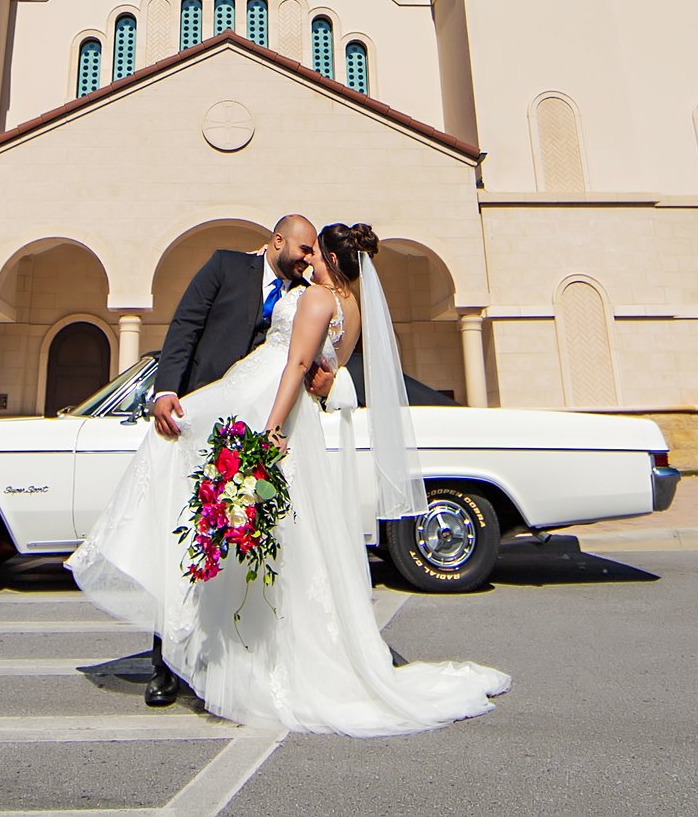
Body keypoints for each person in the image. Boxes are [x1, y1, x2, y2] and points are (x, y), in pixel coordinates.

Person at [71, 219, 510, 736]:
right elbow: (188, 327)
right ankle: (172, 658)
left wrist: (277, 425)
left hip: (261, 412)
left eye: (314, 253)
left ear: (329, 259)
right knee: (210, 517)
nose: (307, 259)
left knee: (244, 535)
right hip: (232, 401)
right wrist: (171, 388)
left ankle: (237, 656)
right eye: (302, 250)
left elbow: (304, 364)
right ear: (277, 243)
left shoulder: (316, 297)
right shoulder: (243, 272)